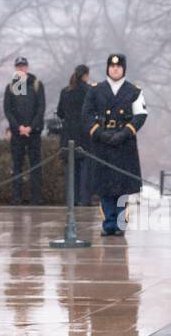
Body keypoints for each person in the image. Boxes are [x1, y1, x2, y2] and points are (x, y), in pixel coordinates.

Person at [83, 53, 147, 235]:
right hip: (101, 144)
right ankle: (108, 224)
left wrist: (125, 133)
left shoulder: (134, 91)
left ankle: (120, 224)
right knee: (105, 188)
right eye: (111, 66)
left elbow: (140, 115)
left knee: (122, 187)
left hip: (124, 144)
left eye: (118, 66)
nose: (115, 69)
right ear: (107, 68)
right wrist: (99, 133)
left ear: (123, 68)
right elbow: (86, 114)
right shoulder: (95, 90)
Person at [3, 56, 45, 204]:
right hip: (17, 133)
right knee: (17, 167)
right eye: (18, 66)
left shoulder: (37, 84)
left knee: (36, 166)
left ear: (27, 67)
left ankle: (37, 197)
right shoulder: (10, 87)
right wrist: (18, 127)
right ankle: (16, 197)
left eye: (23, 66)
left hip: (33, 133)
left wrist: (31, 127)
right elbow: (8, 110)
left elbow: (41, 108)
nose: (21, 69)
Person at [55, 64, 91, 203]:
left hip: (68, 133)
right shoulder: (89, 91)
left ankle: (72, 199)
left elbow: (60, 112)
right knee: (85, 168)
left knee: (71, 168)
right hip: (84, 133)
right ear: (86, 75)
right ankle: (84, 198)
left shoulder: (65, 91)